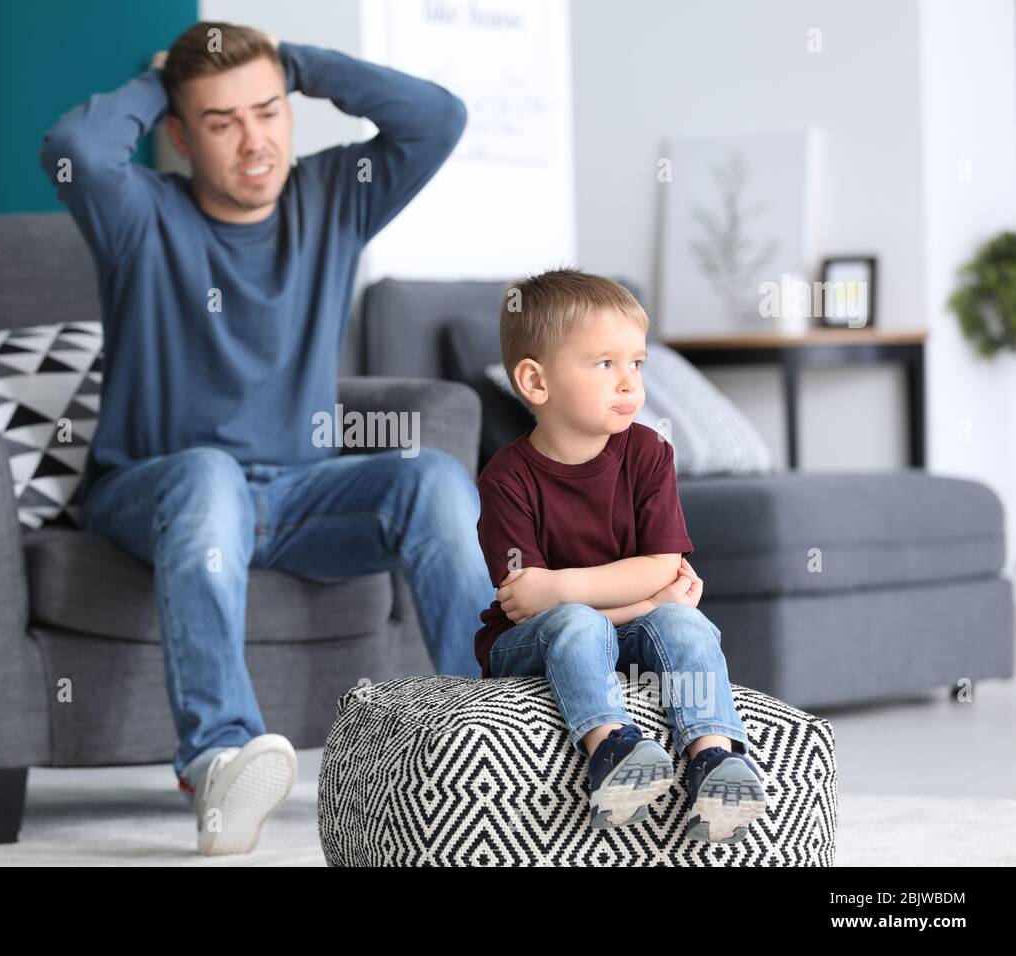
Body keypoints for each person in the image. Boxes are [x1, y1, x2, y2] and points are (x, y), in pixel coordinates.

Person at [39, 21, 493, 855]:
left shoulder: (336, 197)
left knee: (433, 477)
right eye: (221, 122)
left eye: (269, 112)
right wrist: (159, 80)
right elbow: (73, 145)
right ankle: (219, 761)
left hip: (296, 495)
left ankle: (499, 744)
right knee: (210, 475)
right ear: (178, 135)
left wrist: (299, 64)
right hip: (153, 489)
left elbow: (439, 117)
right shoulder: (142, 215)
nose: (256, 142)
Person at [474, 269, 769, 844]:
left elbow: (662, 566)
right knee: (579, 624)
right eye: (605, 364)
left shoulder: (649, 452)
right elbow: (530, 609)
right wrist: (641, 600)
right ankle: (612, 749)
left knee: (685, 621)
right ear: (536, 381)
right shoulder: (506, 478)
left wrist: (570, 588)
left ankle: (715, 756)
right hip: (527, 642)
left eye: (636, 363)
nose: (629, 383)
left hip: (606, 618)